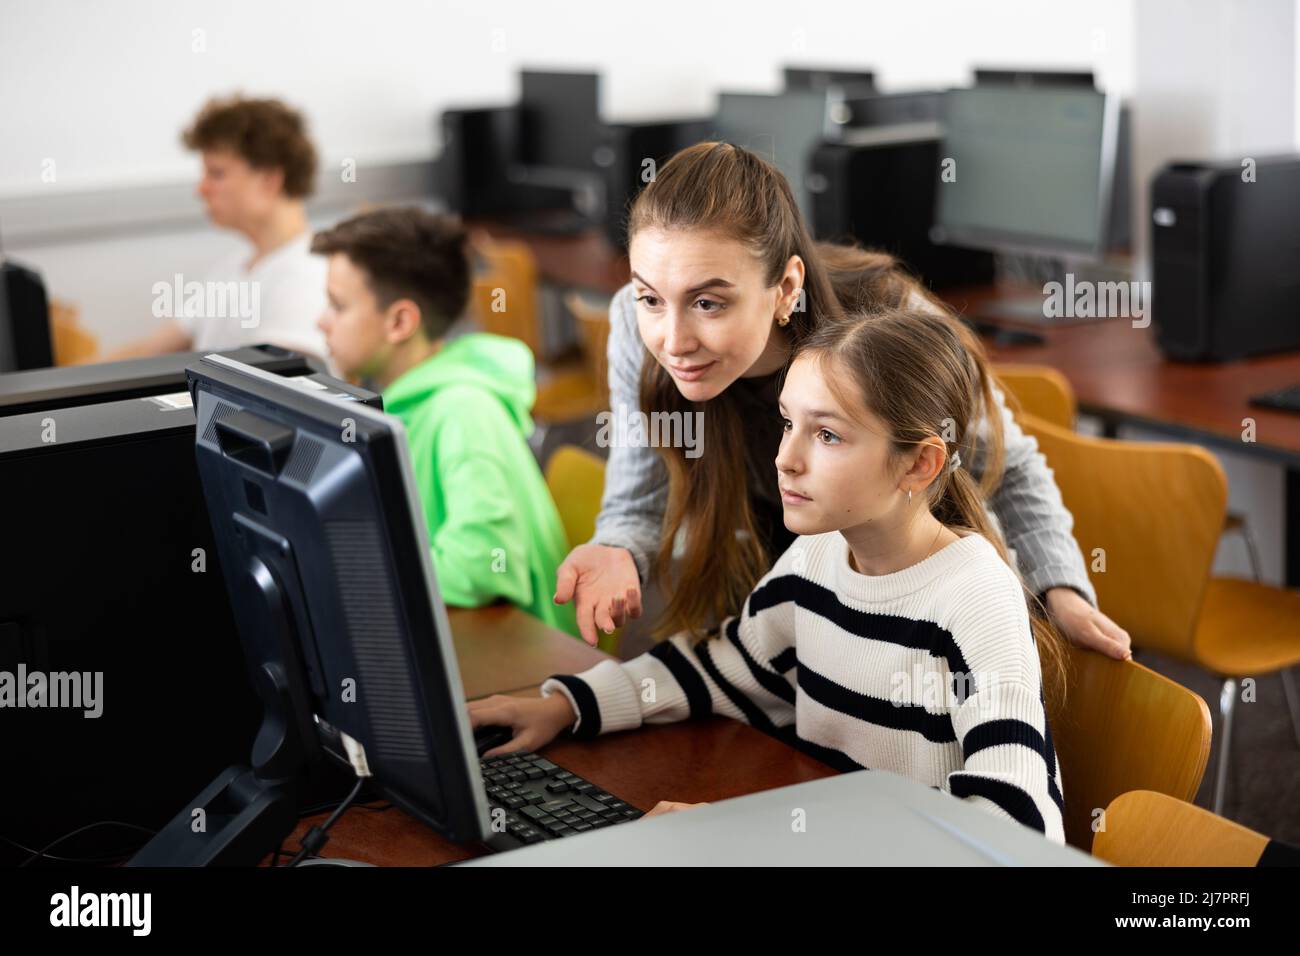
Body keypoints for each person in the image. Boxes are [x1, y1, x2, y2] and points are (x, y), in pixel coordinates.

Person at [471, 308, 1065, 841]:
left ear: (919, 463)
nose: (786, 458)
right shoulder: (818, 557)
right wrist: (568, 706)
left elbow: (1015, 826)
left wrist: (759, 840)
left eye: (827, 434)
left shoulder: (975, 597)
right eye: (788, 422)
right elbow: (721, 668)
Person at [553, 142, 1131, 664]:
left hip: (909, 595)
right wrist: (616, 550)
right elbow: (639, 498)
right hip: (774, 585)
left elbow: (1008, 470)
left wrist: (1063, 592)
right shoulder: (635, 321)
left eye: (708, 304)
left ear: (784, 288)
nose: (672, 340)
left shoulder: (888, 322)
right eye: (652, 297)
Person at [311, 206, 578, 637]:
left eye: (338, 306)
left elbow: (483, 565)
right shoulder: (400, 404)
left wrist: (355, 579)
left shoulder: (463, 412)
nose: (321, 321)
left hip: (518, 660)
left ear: (400, 321)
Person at [102, 95, 327, 361]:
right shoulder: (235, 267)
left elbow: (271, 387)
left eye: (217, 174)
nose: (201, 189)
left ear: (270, 180)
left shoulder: (308, 276)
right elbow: (148, 351)